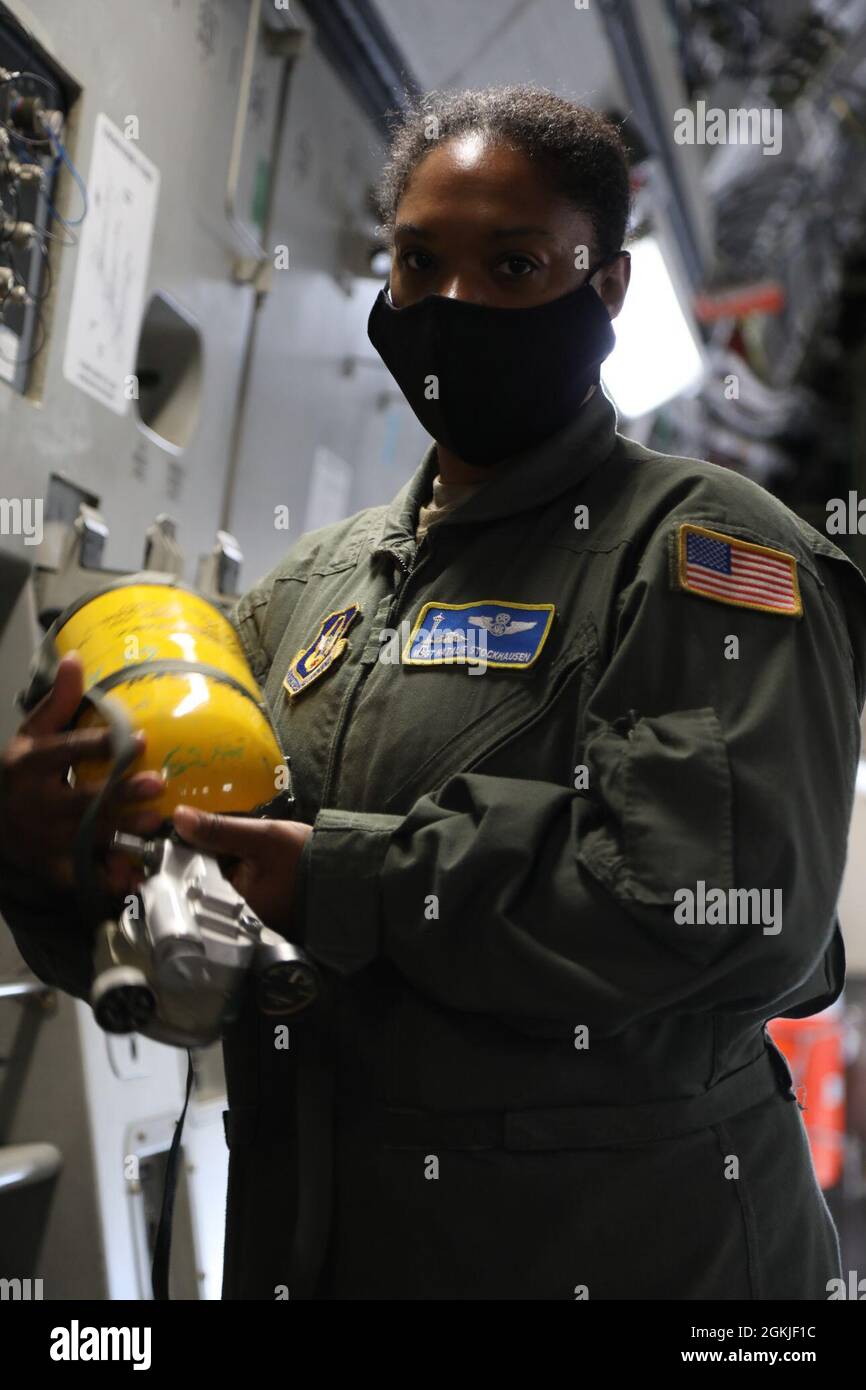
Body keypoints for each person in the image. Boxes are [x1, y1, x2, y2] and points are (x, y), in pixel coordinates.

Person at [2, 85, 865, 1301]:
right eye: (418, 262)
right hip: (319, 1238)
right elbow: (193, 898)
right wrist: (61, 855)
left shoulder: (703, 553)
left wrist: (339, 877)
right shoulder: (313, 586)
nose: (453, 304)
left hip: (622, 1250)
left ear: (603, 291)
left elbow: (720, 901)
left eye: (512, 265)